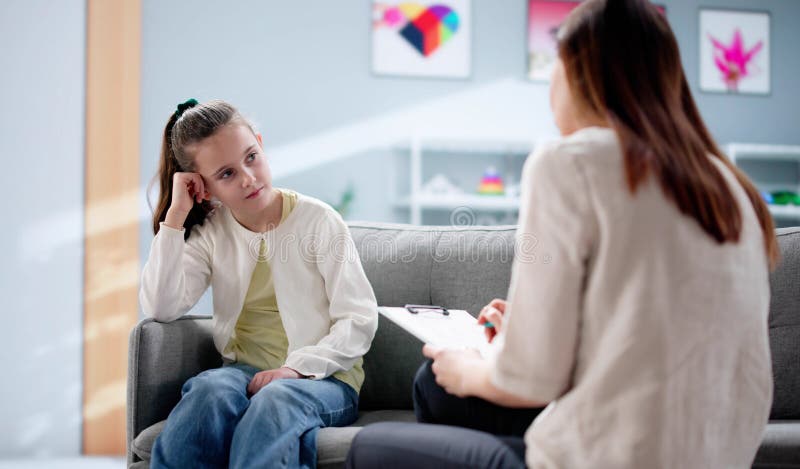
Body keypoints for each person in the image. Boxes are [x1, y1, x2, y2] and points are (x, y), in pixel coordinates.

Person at [346, 0, 779, 467]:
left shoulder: (569, 162)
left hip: (616, 458)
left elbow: (531, 380)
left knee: (376, 443)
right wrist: (524, 331)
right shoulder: (730, 187)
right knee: (434, 385)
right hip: (716, 455)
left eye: (556, 61)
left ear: (579, 71)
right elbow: (645, 339)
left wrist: (468, 370)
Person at [140, 98, 378, 468]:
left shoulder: (319, 221)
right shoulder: (211, 233)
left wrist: (295, 370)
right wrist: (175, 217)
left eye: (251, 157)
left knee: (276, 399)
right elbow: (161, 306)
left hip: (323, 379)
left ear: (261, 144)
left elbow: (358, 319)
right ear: (203, 187)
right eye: (226, 174)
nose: (248, 178)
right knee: (209, 390)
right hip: (243, 372)